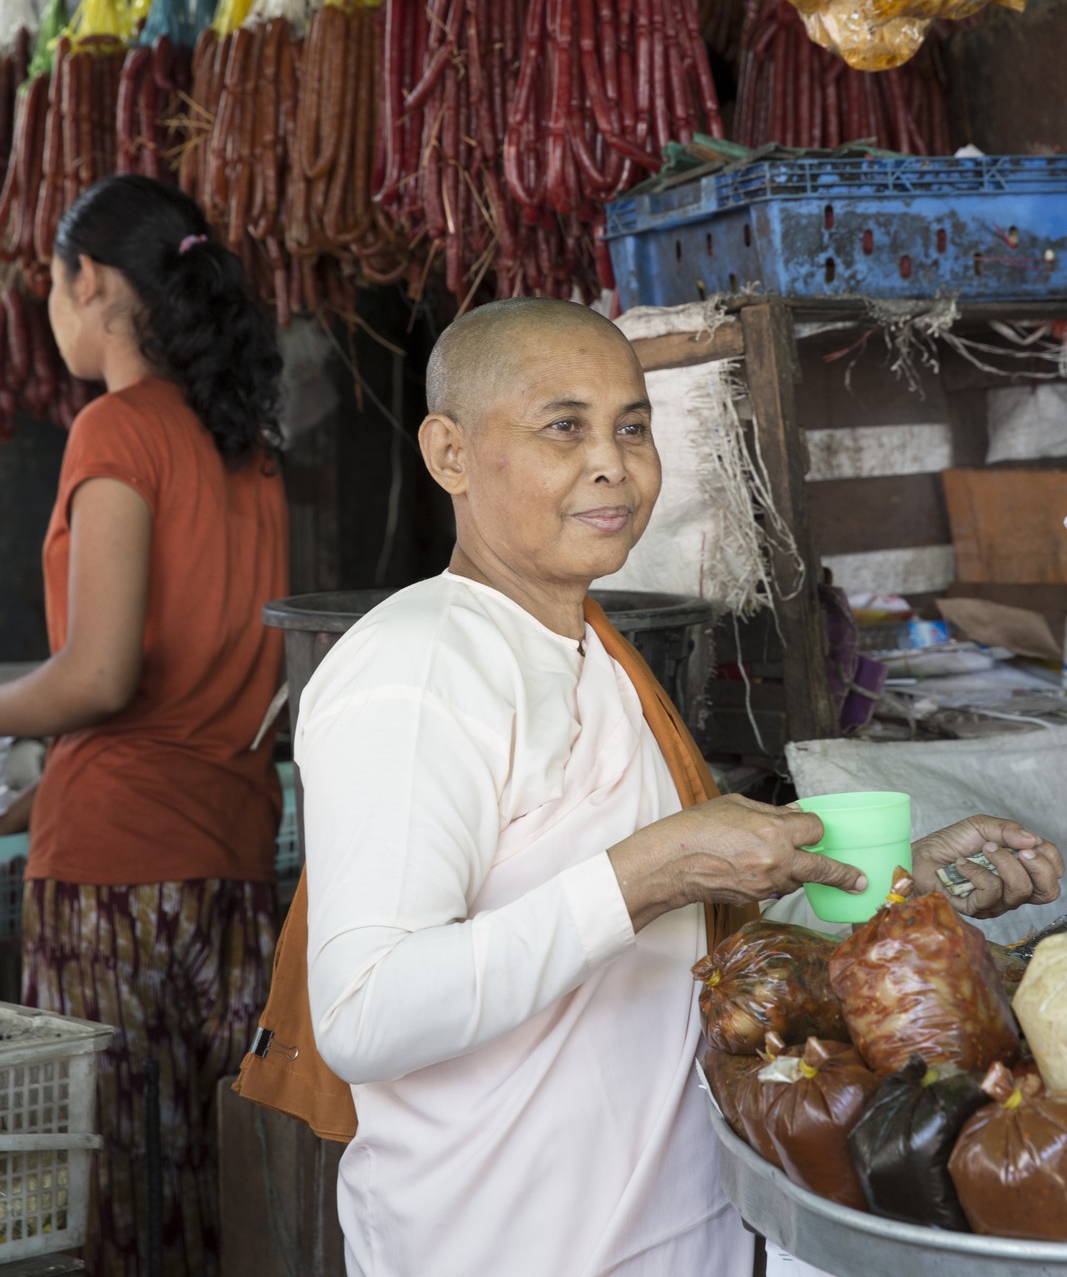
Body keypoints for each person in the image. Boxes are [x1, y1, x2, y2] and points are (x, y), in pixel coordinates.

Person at [293, 298, 1063, 1277]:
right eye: (562, 426)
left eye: (631, 425)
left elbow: (668, 938)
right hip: (499, 1243)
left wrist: (915, 886)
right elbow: (366, 1013)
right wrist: (647, 869)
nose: (612, 460)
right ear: (448, 454)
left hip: (670, 1225)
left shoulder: (589, 649)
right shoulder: (418, 669)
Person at [1, 176, 289, 1277]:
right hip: (230, 863)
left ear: (90, 281)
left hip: (117, 867)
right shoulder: (244, 443)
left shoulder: (115, 427)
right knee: (222, 1191)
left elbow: (101, 679)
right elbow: (211, 681)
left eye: (51, 285)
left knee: (116, 1189)